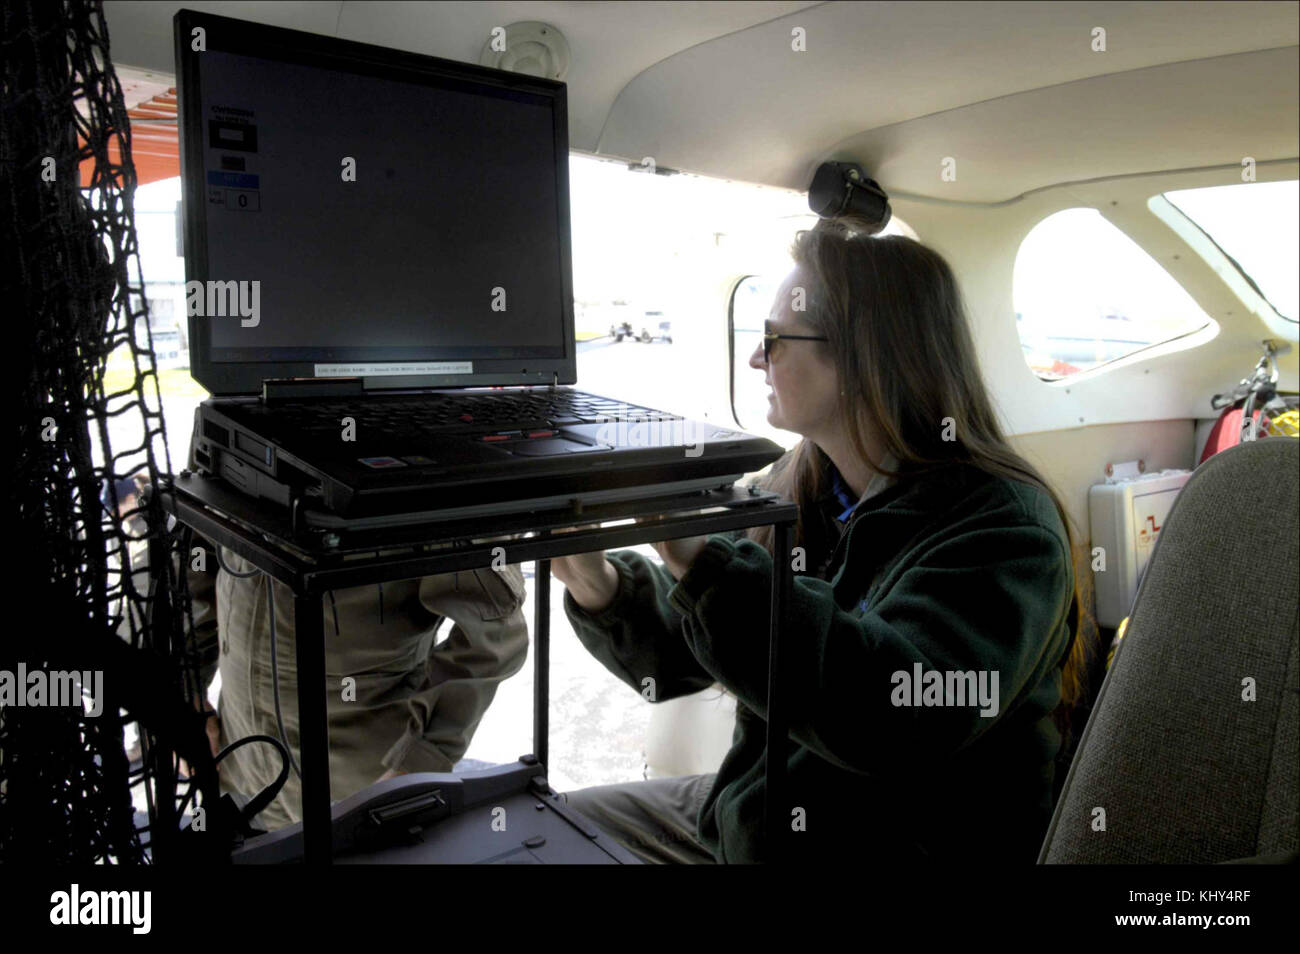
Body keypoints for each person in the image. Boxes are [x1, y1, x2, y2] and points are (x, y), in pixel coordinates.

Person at [551, 216, 1089, 864]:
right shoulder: (797, 482)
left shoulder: (1004, 529)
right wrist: (597, 581)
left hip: (883, 843)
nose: (756, 358)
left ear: (864, 357)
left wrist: (700, 556)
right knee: (551, 830)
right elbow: (696, 646)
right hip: (755, 815)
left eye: (775, 340)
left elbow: (894, 714)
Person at [187, 538, 529, 832]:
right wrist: (188, 687)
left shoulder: (418, 472)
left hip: (358, 796)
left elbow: (495, 635)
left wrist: (419, 761)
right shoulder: (235, 459)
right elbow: (195, 551)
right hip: (238, 768)